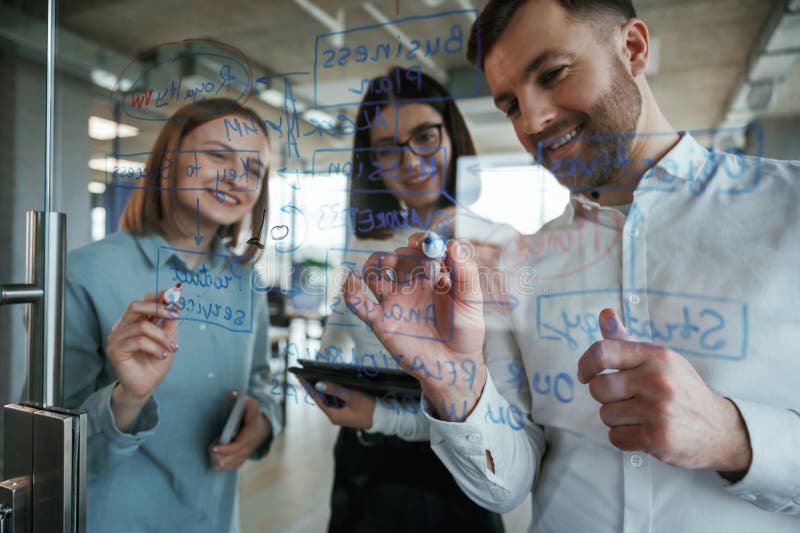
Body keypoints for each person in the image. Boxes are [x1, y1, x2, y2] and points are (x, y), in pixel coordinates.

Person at [340, 1, 800, 532]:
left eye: (553, 74)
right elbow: (507, 483)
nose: (532, 120)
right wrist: (457, 384)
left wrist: (735, 438)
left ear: (633, 48)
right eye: (511, 105)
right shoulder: (519, 262)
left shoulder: (788, 207)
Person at [63, 98, 282, 533]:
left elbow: (260, 381)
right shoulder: (86, 274)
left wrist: (262, 424)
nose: (237, 177)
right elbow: (47, 448)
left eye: (254, 169)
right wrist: (129, 398)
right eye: (218, 154)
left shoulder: (245, 282)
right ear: (168, 160)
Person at [306, 66, 505, 533]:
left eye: (425, 136)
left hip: (454, 471)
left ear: (452, 135)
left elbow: (496, 410)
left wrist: (383, 417)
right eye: (387, 149)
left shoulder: (493, 246)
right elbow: (337, 332)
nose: (411, 162)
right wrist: (323, 377)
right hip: (363, 461)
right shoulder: (366, 243)